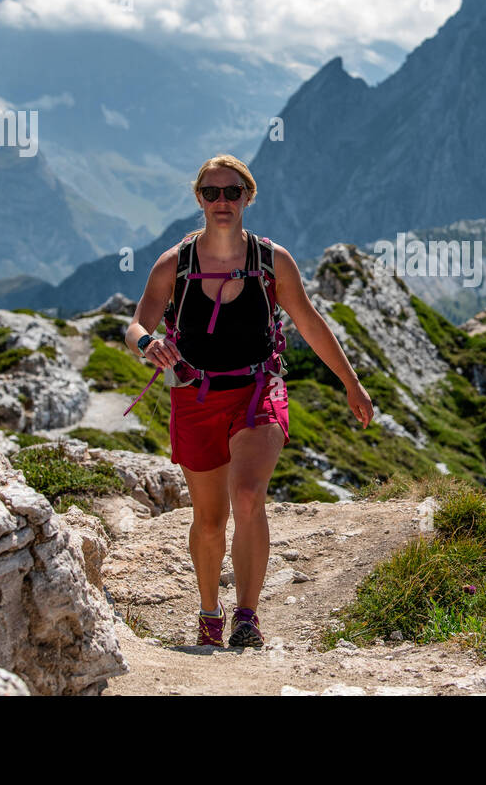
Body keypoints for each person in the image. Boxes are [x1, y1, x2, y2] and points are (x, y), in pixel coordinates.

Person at [126, 155, 374, 649]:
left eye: (232, 192)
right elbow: (137, 323)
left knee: (248, 496)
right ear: (199, 199)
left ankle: (247, 615)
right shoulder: (174, 264)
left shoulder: (272, 261)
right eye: (212, 193)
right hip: (195, 397)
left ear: (248, 197)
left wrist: (350, 381)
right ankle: (207, 611)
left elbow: (307, 321)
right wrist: (145, 344)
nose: (222, 202)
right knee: (210, 518)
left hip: (259, 389)